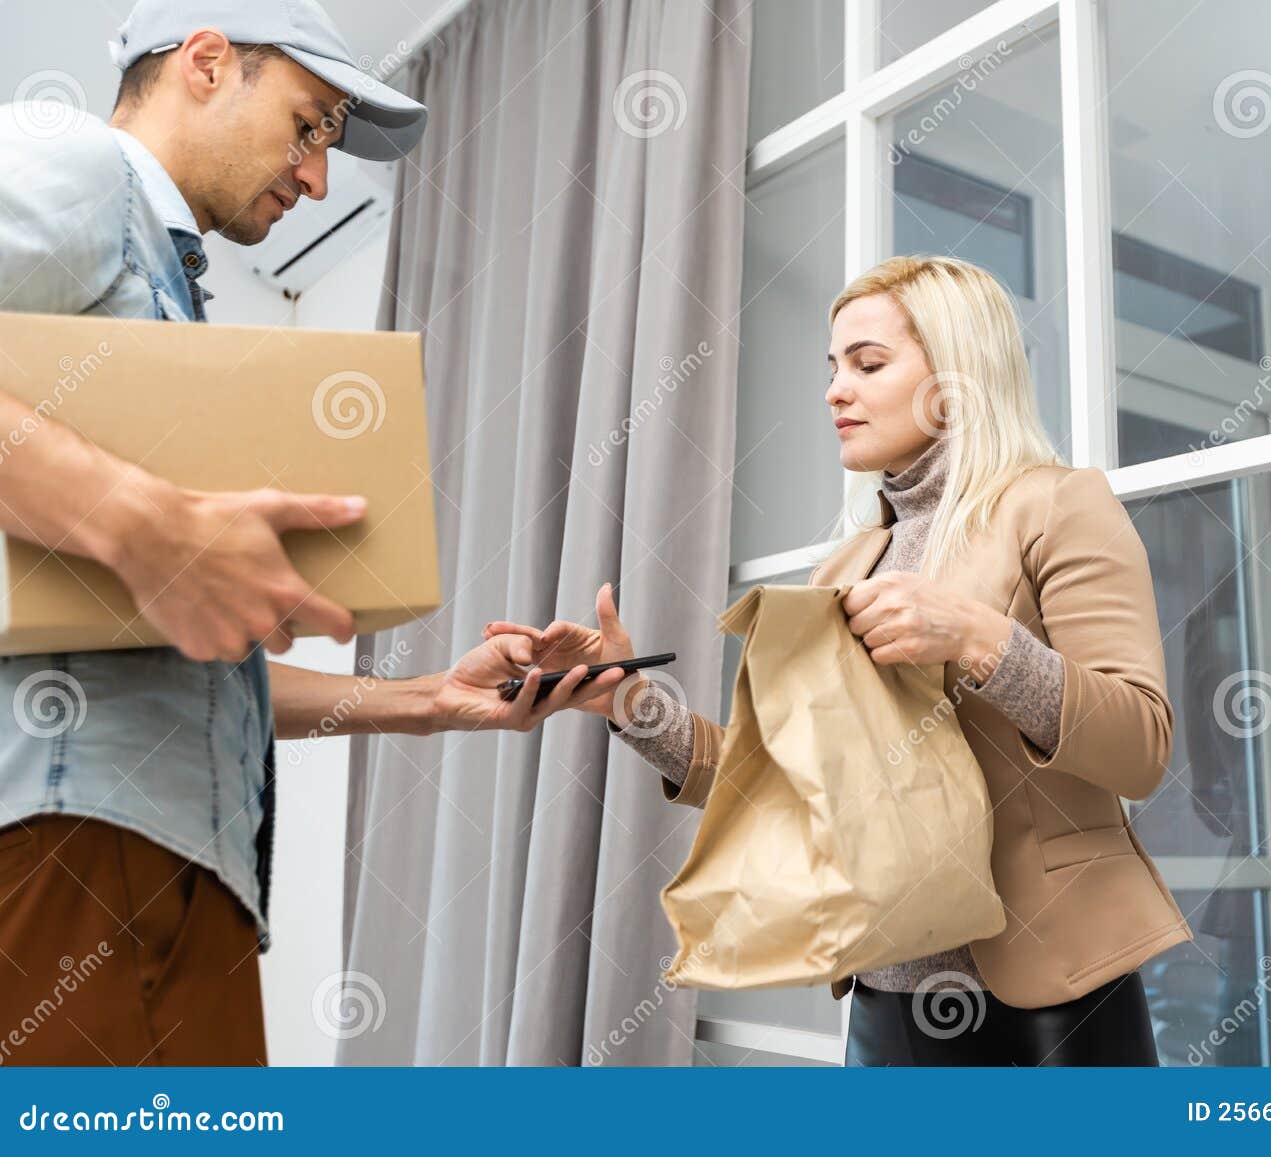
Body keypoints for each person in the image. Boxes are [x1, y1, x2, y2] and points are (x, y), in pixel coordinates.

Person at [0, 0, 626, 1066]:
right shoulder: (81, 166)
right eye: (307, 126)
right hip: (82, 858)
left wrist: (429, 703)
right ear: (205, 63)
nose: (319, 178)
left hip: (170, 871)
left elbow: (178, 673)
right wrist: (150, 524)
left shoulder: (157, 289)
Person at [487, 254, 1194, 1066]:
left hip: (1051, 996)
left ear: (957, 374)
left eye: (867, 363)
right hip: (886, 1001)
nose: (834, 390)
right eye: (833, 367)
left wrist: (979, 638)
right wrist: (627, 700)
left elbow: (1141, 745)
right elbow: (780, 782)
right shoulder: (847, 565)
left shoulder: (1059, 504)